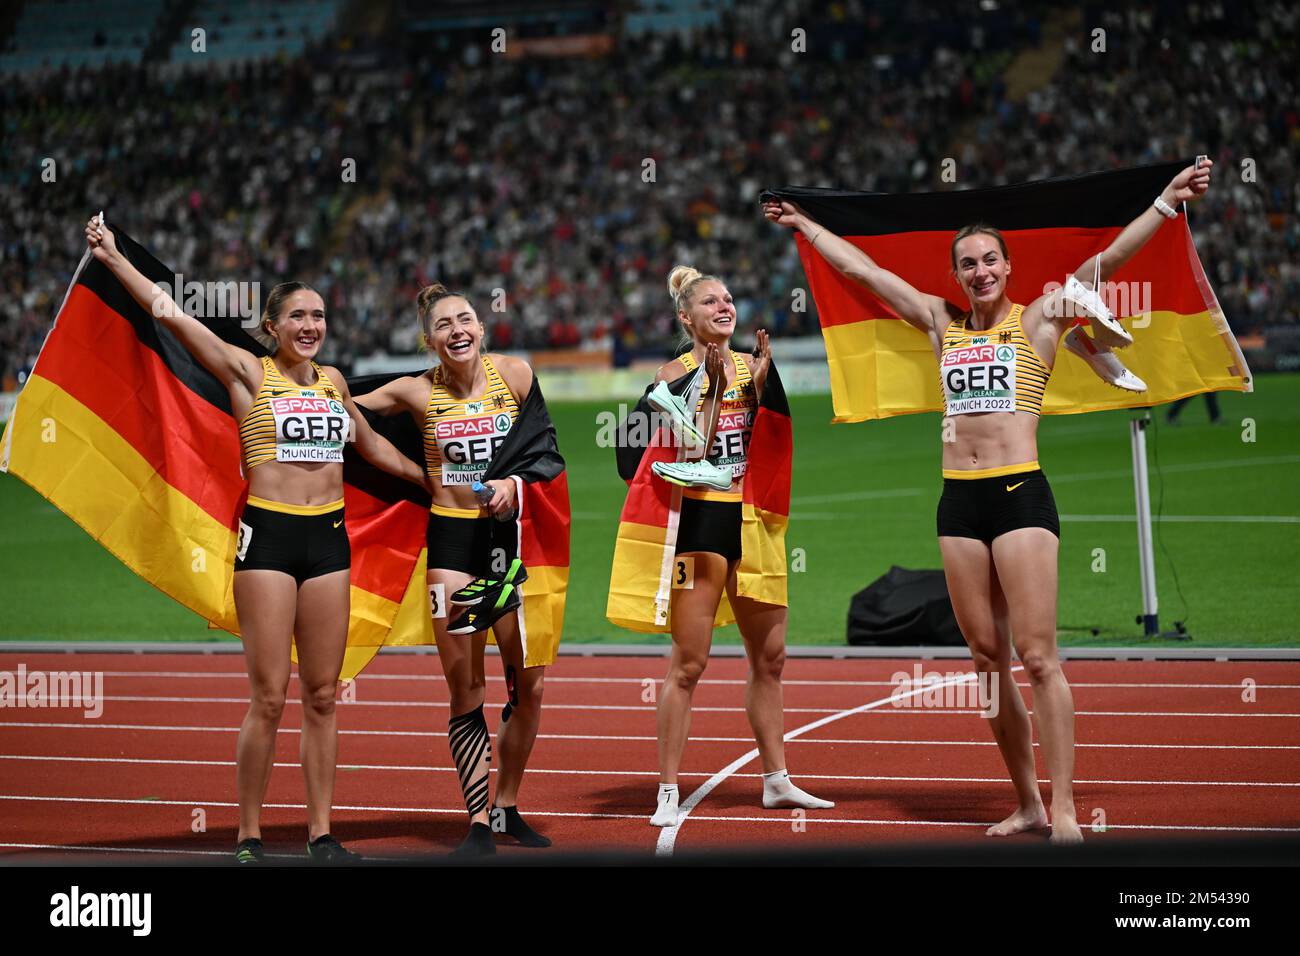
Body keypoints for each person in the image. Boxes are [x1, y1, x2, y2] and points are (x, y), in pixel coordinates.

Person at [764, 160, 1214, 843]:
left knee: (1039, 656)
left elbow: (1106, 261)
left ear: (1008, 265)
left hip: (1018, 495)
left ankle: (1063, 808)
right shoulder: (942, 323)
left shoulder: (1039, 321)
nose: (979, 272)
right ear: (958, 275)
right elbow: (866, 273)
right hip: (958, 504)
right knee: (986, 662)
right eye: (967, 263)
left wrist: (1165, 201)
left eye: (989, 260)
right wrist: (805, 225)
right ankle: (1027, 799)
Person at [85, 215, 428, 863]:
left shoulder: (331, 383)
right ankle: (248, 836)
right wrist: (112, 259)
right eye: (297, 316)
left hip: (329, 543)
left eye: (319, 316)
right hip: (267, 542)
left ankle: (322, 834)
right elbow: (169, 312)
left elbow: (372, 443)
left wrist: (431, 485)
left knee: (324, 697)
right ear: (272, 327)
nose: (310, 326)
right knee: (269, 698)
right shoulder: (247, 370)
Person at [354, 284, 555, 857]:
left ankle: (507, 805)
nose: (457, 330)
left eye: (465, 318)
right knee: (465, 686)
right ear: (429, 340)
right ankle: (475, 820)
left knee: (529, 682)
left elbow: (545, 449)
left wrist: (512, 486)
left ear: (482, 326)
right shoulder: (414, 391)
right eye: (444, 325)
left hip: (510, 545)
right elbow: (343, 410)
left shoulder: (514, 376)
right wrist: (412, 473)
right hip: (451, 546)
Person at [640, 265, 833, 827]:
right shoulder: (671, 373)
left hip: (754, 521)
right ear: (686, 316)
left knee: (770, 659)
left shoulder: (754, 366)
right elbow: (686, 448)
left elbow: (772, 445)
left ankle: (776, 781)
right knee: (689, 662)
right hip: (701, 520)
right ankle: (669, 791)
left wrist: (766, 384)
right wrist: (717, 388)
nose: (724, 307)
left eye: (728, 299)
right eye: (710, 302)